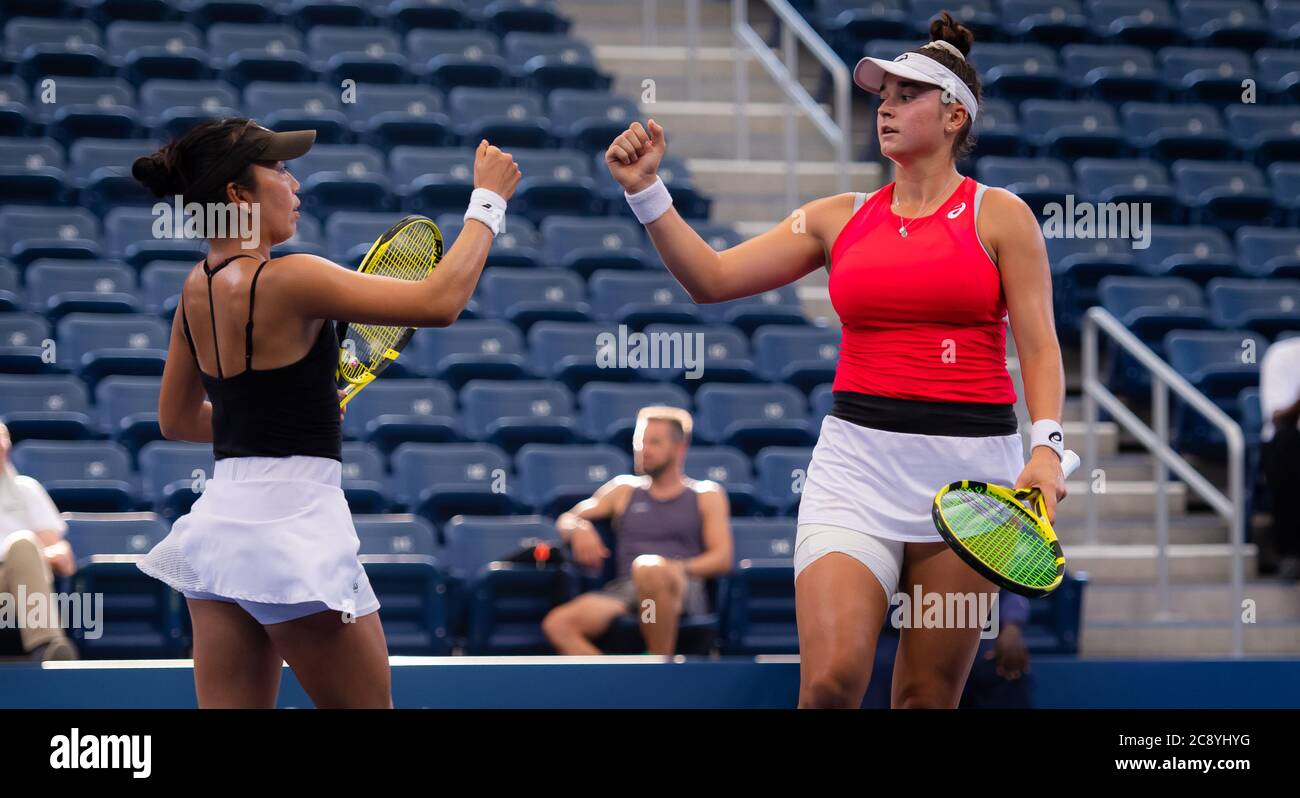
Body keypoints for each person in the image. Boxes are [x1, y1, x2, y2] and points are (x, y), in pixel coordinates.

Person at [603, 13, 1069, 707]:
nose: (885, 107)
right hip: (857, 467)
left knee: (925, 698)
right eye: (882, 96)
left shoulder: (1000, 215)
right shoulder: (837, 216)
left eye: (906, 95)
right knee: (829, 683)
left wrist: (1048, 449)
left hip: (976, 480)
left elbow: (1039, 342)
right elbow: (712, 280)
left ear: (954, 117)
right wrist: (645, 190)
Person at [130, 118, 520, 707]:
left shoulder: (194, 290)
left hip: (217, 532)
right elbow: (440, 301)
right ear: (237, 194)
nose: (295, 185)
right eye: (279, 170)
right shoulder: (293, 277)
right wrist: (487, 201)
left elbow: (177, 421)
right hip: (291, 529)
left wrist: (288, 415)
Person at [542, 407, 733, 655]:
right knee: (559, 625)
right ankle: (625, 678)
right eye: (640, 442)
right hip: (626, 592)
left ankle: (657, 665)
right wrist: (579, 528)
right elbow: (567, 518)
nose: (644, 449)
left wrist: (675, 568)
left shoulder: (706, 494)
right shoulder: (624, 489)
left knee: (649, 569)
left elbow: (722, 558)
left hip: (679, 586)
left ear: (680, 448)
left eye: (654, 442)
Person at [0, 422, 78, 661]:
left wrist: (28, 557)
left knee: (23, 544)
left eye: (4, 440)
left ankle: (48, 650)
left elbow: (63, 558)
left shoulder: (26, 490)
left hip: (19, 582)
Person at [1259, 336, 1300, 579]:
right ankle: (1291, 553)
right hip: (1287, 444)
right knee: (1287, 442)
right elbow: (1278, 418)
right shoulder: (1282, 354)